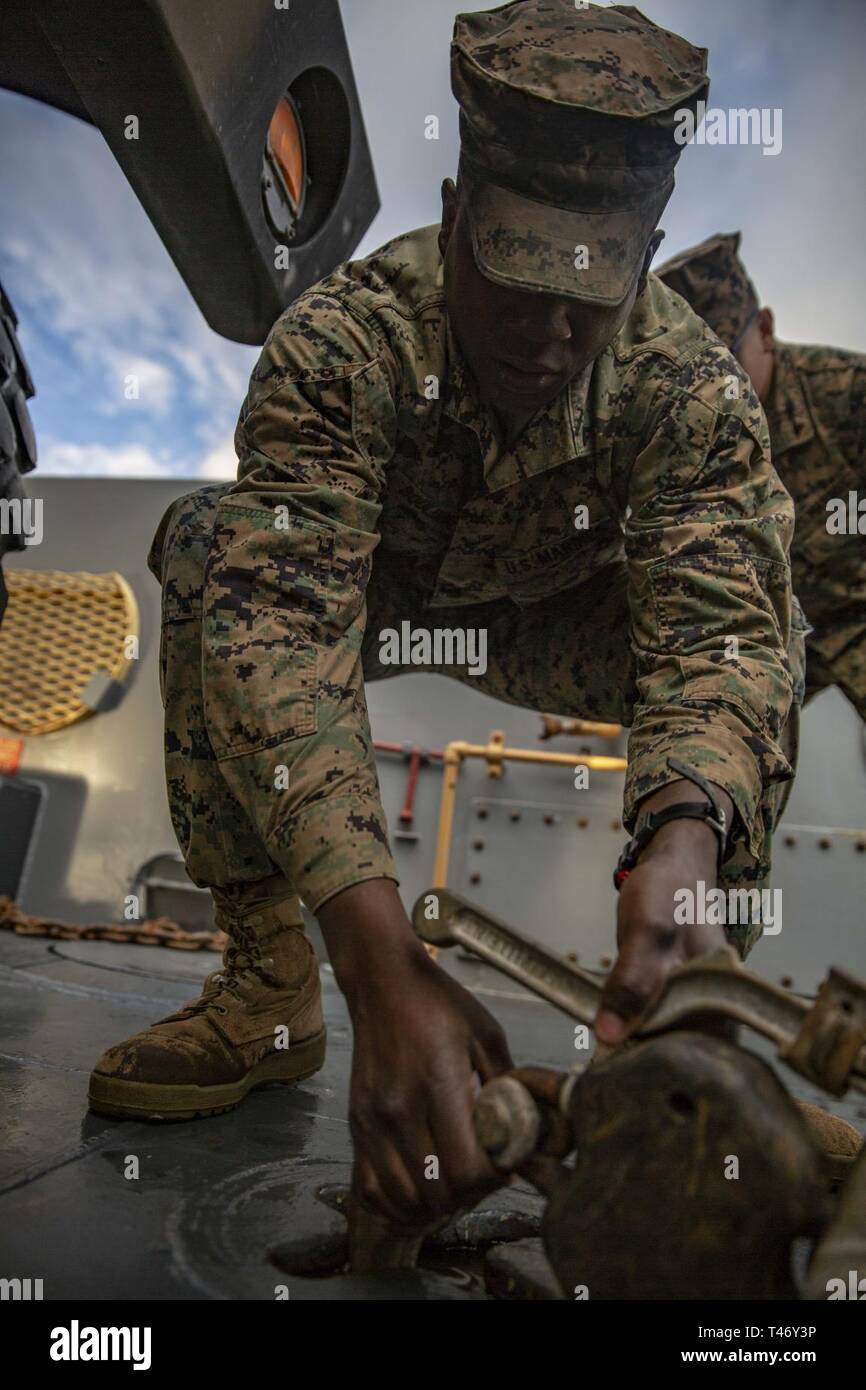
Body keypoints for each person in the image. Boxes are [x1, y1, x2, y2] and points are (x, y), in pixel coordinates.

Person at [89, 2, 806, 1228]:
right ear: (456, 205)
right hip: (382, 590)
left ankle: (685, 1031)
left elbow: (711, 634)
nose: (545, 332)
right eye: (513, 274)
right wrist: (378, 964)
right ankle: (268, 994)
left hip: (568, 621)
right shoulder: (344, 342)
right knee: (210, 549)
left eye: (588, 293)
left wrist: (683, 839)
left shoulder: (689, 391)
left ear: (645, 253)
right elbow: (287, 629)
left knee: (758, 640)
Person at [658, 231, 866, 719]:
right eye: (694, 379)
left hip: (856, 616)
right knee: (712, 730)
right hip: (774, 644)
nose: (713, 392)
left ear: (766, 331)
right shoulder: (680, 445)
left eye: (727, 366)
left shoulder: (846, 395)